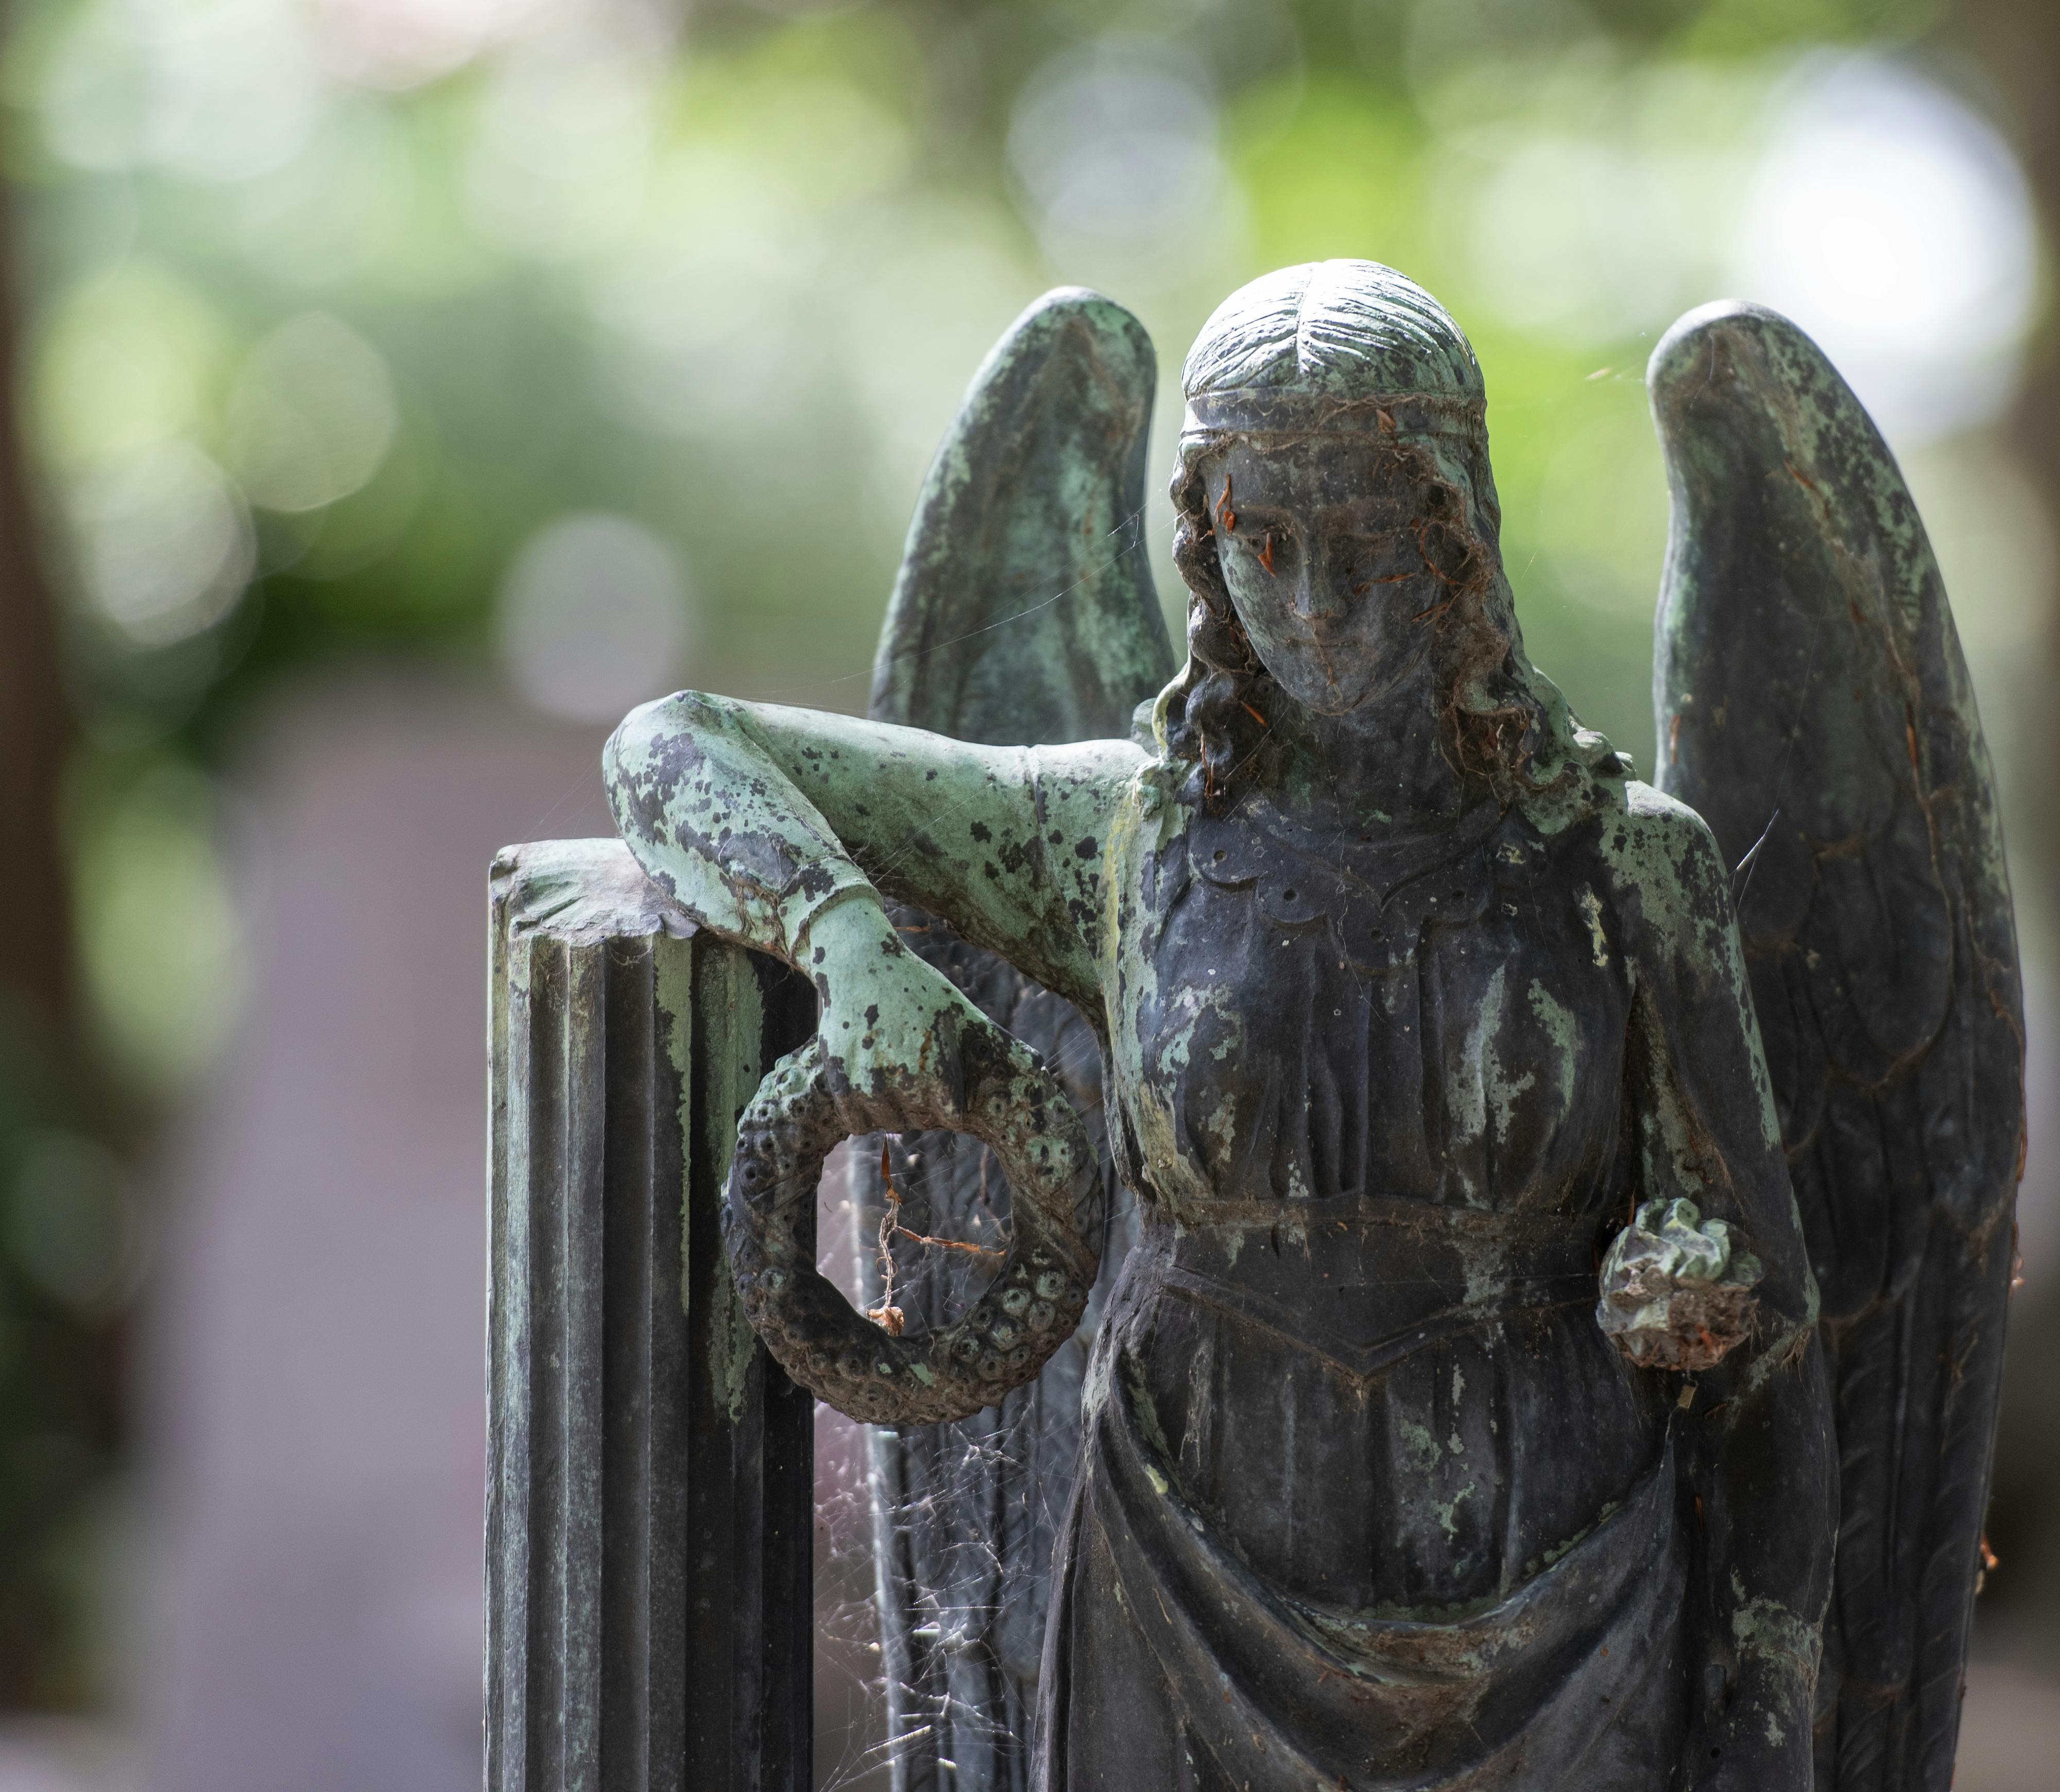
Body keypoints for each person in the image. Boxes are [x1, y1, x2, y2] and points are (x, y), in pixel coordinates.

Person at [605, 260, 1835, 1789]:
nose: (1314, 603)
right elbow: (672, 749)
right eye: (1263, 544)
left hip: (1557, 1595)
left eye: (1368, 543)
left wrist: (1765, 1677)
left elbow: (1771, 1331)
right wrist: (850, 947)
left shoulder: (1623, 865)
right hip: (1185, 1563)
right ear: (1205, 549)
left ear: (1455, 537)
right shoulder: (1113, 838)